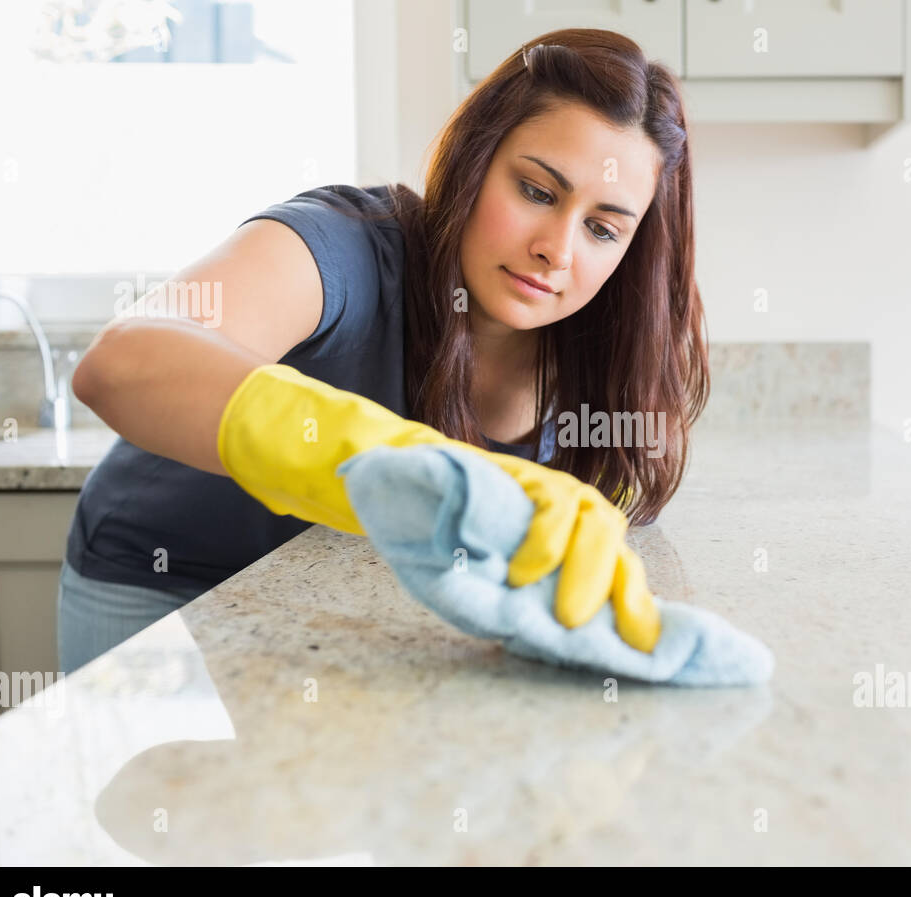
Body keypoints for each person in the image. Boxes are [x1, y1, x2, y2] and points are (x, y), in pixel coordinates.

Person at [58, 28, 710, 674]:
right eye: (537, 191)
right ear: (475, 161)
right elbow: (120, 364)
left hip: (342, 615)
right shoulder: (347, 243)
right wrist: (410, 465)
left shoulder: (606, 354)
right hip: (164, 592)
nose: (558, 249)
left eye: (602, 228)